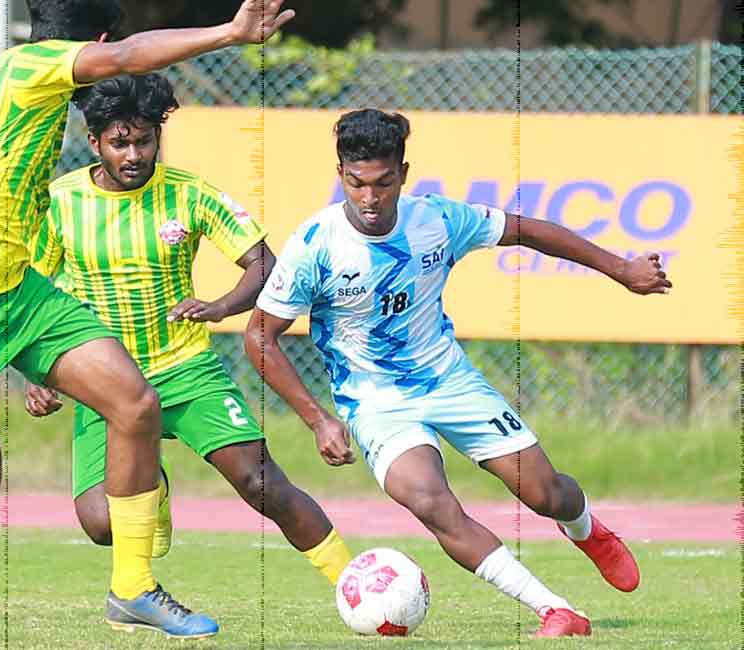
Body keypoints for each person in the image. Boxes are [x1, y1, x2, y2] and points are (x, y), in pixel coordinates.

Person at [0, 0, 295, 644]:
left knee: (134, 404)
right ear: (95, 45)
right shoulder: (31, 67)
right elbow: (128, 59)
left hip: (18, 290)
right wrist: (231, 33)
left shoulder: (25, 95)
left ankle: (132, 588)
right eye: (109, 52)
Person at [246, 109, 659, 638]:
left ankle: (586, 529)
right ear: (341, 174)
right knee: (428, 499)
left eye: (383, 183)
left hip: (450, 381)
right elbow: (259, 336)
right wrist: (318, 419)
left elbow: (526, 230)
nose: (369, 199)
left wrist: (621, 269)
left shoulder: (436, 220)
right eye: (355, 184)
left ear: (404, 172)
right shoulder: (315, 245)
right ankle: (556, 610)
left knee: (545, 493)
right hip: (375, 403)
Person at [24, 74, 353, 620]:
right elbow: (30, 295)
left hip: (185, 368)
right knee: (102, 523)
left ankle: (355, 581)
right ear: (94, 141)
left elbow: (262, 264)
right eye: (120, 142)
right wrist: (36, 373)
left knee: (260, 481)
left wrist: (222, 306)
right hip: (102, 382)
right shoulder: (60, 204)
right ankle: (151, 489)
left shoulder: (189, 193)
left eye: (145, 140)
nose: (134, 154)